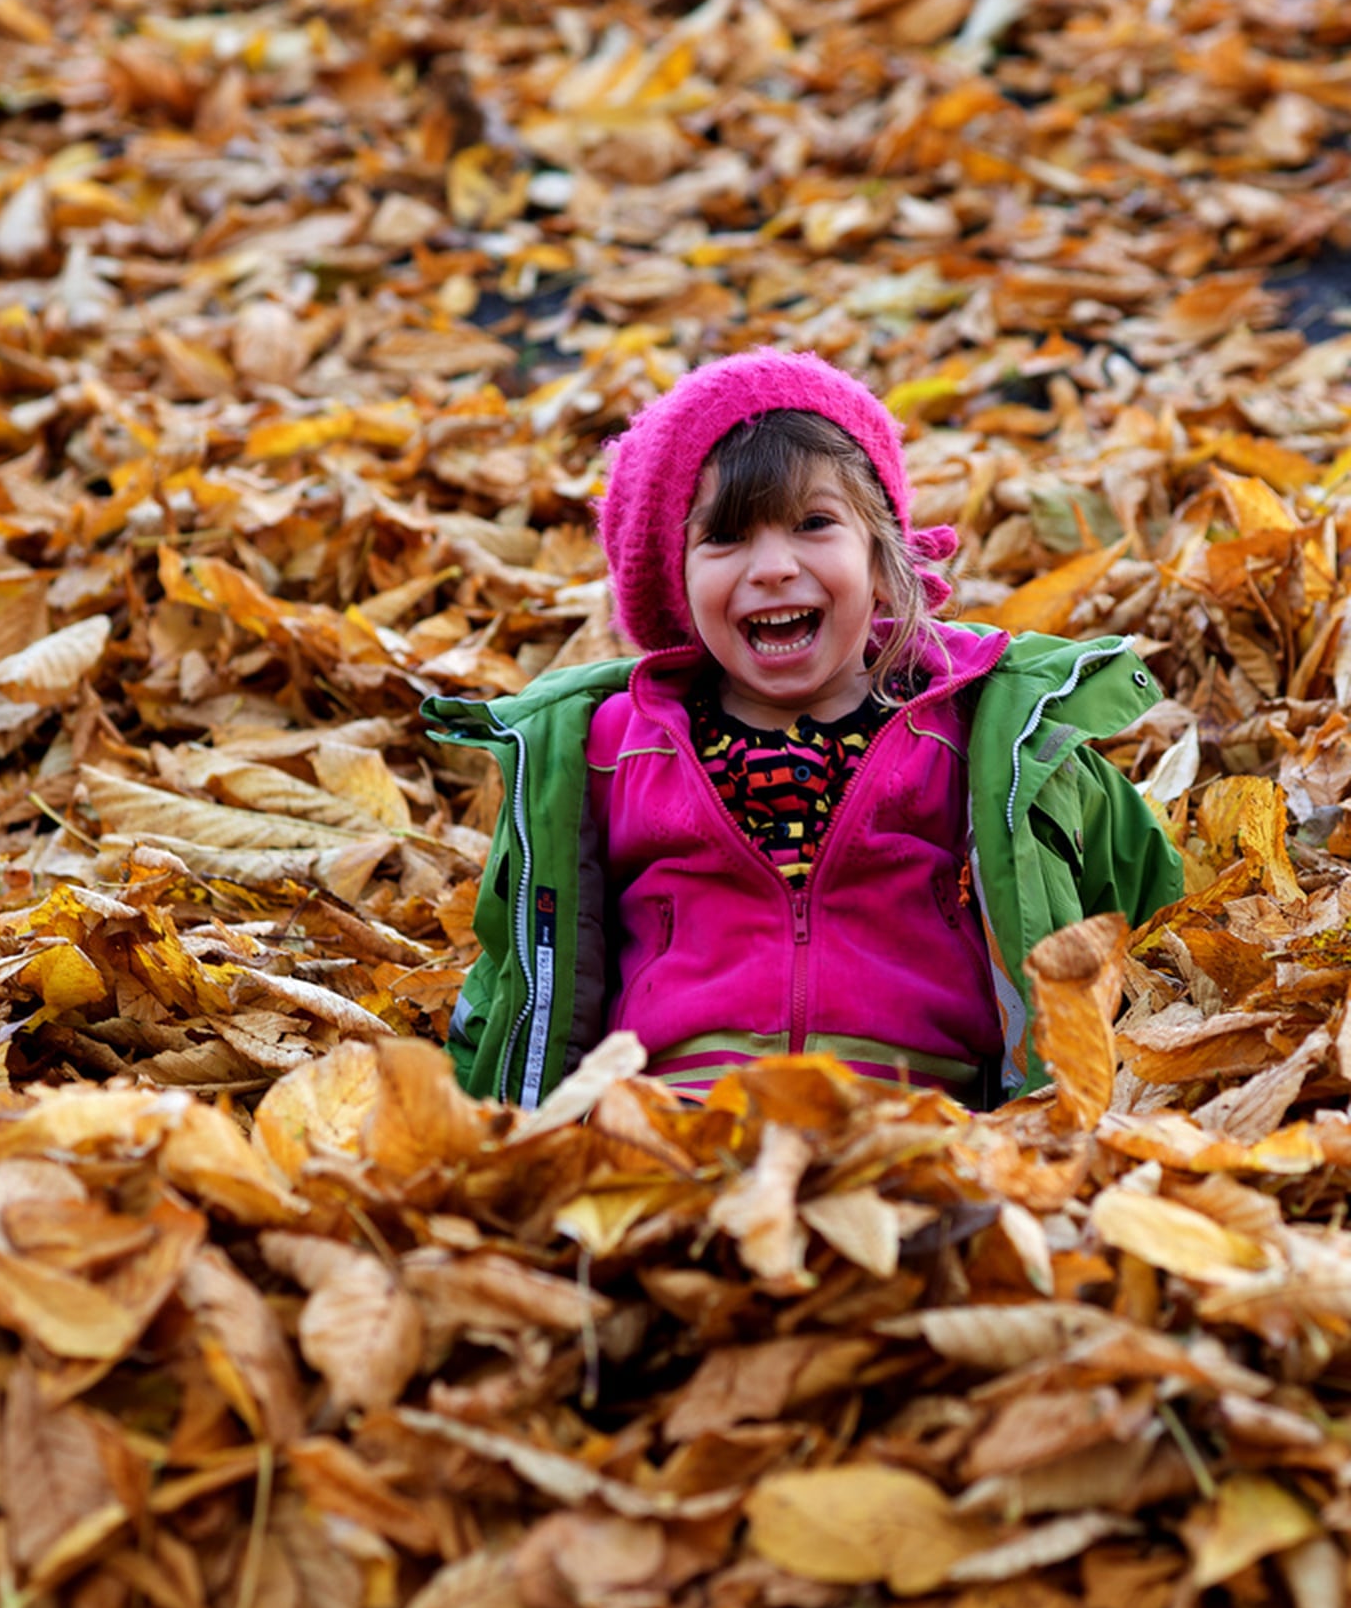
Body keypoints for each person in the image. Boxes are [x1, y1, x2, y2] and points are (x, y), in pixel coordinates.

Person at [422, 349, 1182, 1110]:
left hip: (921, 1115)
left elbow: (1144, 901)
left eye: (814, 524)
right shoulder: (610, 750)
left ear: (884, 560)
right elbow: (510, 972)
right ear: (675, 583)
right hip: (675, 1115)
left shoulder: (980, 730)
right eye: (725, 538)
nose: (775, 566)